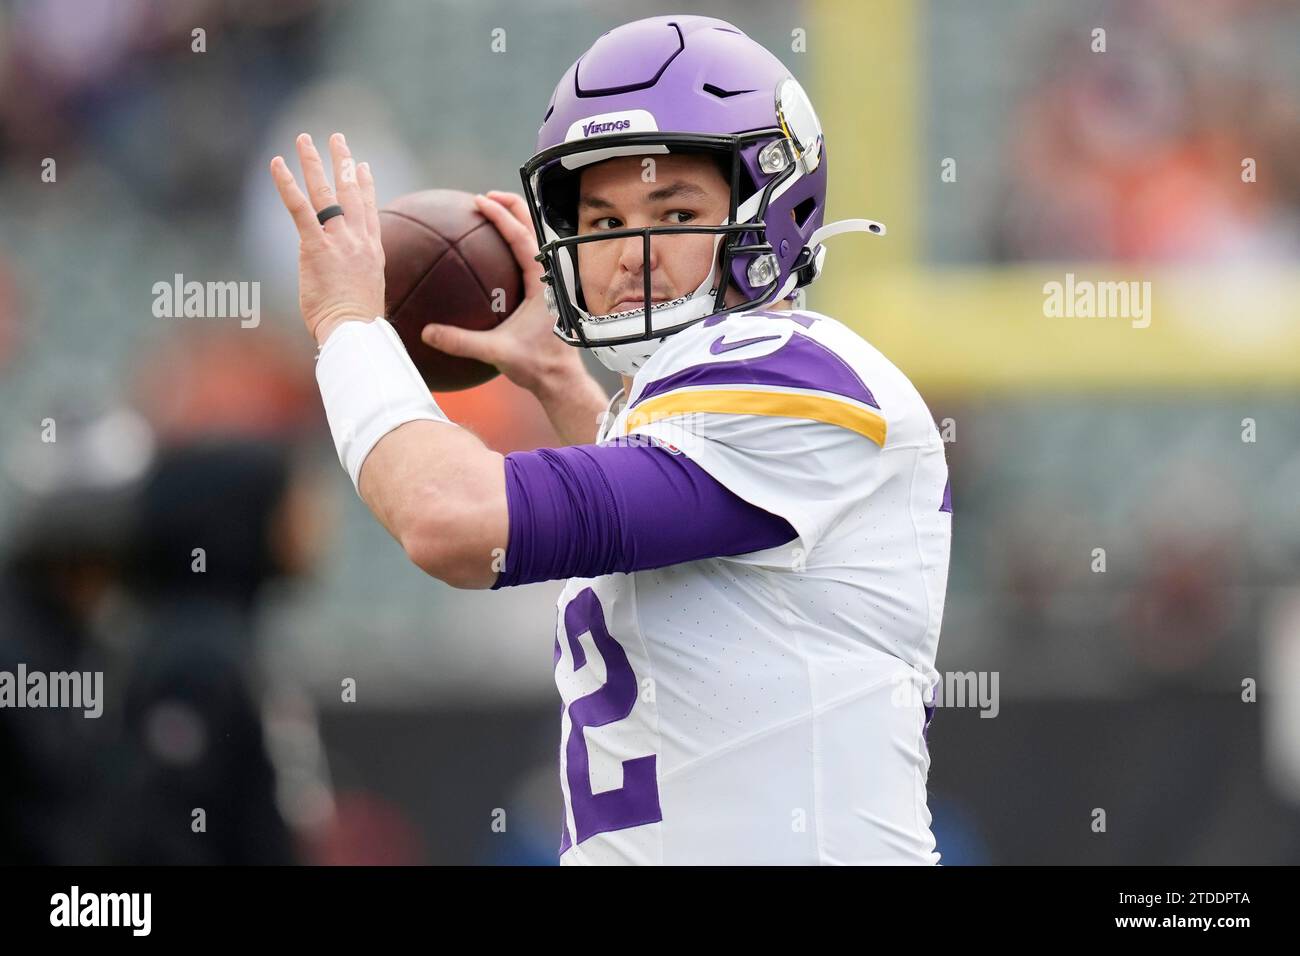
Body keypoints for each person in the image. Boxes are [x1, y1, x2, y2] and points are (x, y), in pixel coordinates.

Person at [269, 14, 951, 865]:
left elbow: (448, 520)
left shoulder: (792, 371)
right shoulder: (686, 408)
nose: (629, 252)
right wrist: (560, 382)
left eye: (674, 210)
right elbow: (682, 525)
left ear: (775, 206)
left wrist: (345, 325)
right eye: (599, 223)